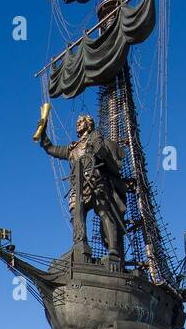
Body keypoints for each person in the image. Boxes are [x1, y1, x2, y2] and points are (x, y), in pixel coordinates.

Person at [39, 112, 128, 262]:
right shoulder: (72, 149)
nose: (78, 123)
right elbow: (51, 148)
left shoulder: (94, 137)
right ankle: (81, 245)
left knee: (104, 212)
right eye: (77, 122)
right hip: (77, 185)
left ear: (89, 124)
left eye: (81, 121)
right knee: (76, 213)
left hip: (94, 181)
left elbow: (102, 153)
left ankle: (113, 249)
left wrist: (97, 143)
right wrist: (42, 132)